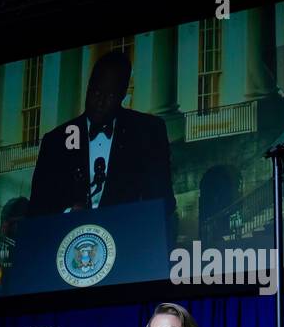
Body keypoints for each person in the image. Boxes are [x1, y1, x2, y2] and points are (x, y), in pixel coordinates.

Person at [27, 51, 175, 217]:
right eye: (96, 92)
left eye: (110, 95)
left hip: (129, 237)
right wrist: (69, 213)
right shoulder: (56, 141)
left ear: (123, 95)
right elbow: (37, 210)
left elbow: (163, 203)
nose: (100, 102)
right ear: (89, 87)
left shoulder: (147, 132)